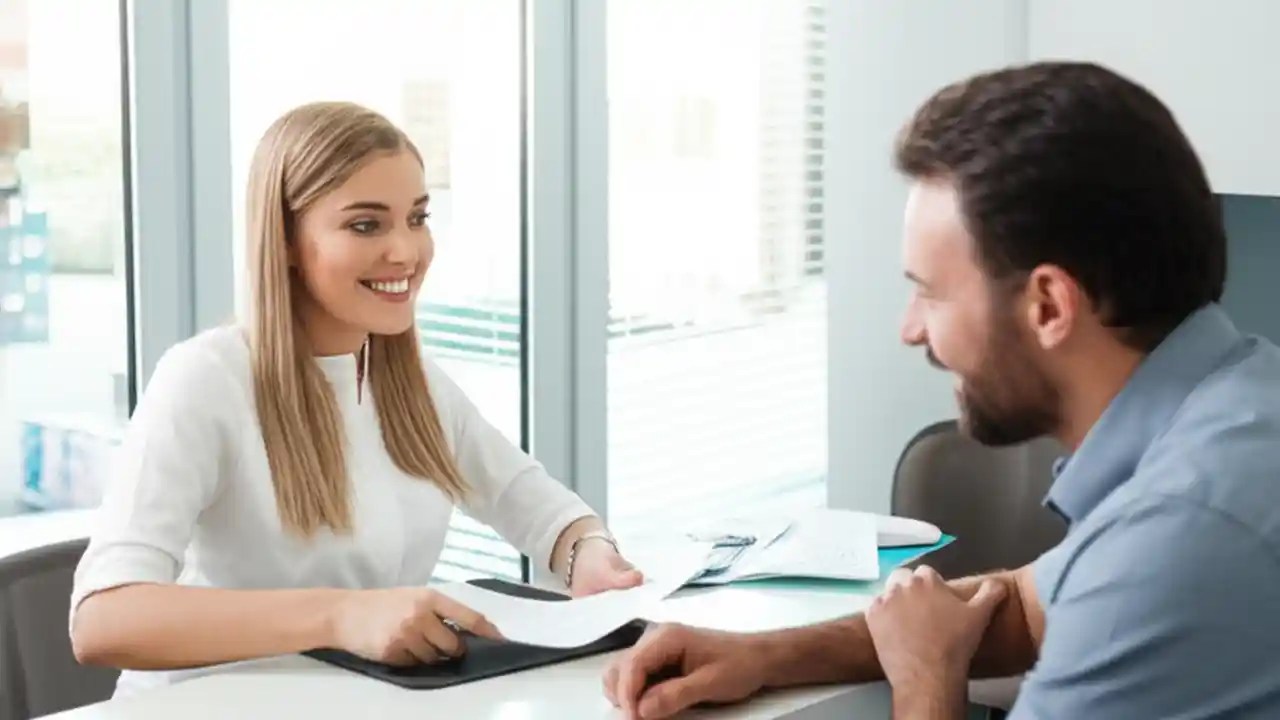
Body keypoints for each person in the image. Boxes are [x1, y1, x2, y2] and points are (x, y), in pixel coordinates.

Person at [603, 61, 1280, 719]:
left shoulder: (1177, 540)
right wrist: (762, 656)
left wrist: (926, 680)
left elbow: (1097, 594)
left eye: (928, 292)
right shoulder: (1239, 407)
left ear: (1048, 306)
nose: (910, 329)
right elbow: (1025, 606)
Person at [70, 101, 642, 697]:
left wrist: (588, 554)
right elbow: (103, 620)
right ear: (287, 241)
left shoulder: (408, 380)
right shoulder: (204, 379)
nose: (405, 252)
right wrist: (341, 615)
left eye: (417, 218)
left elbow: (537, 507)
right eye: (366, 225)